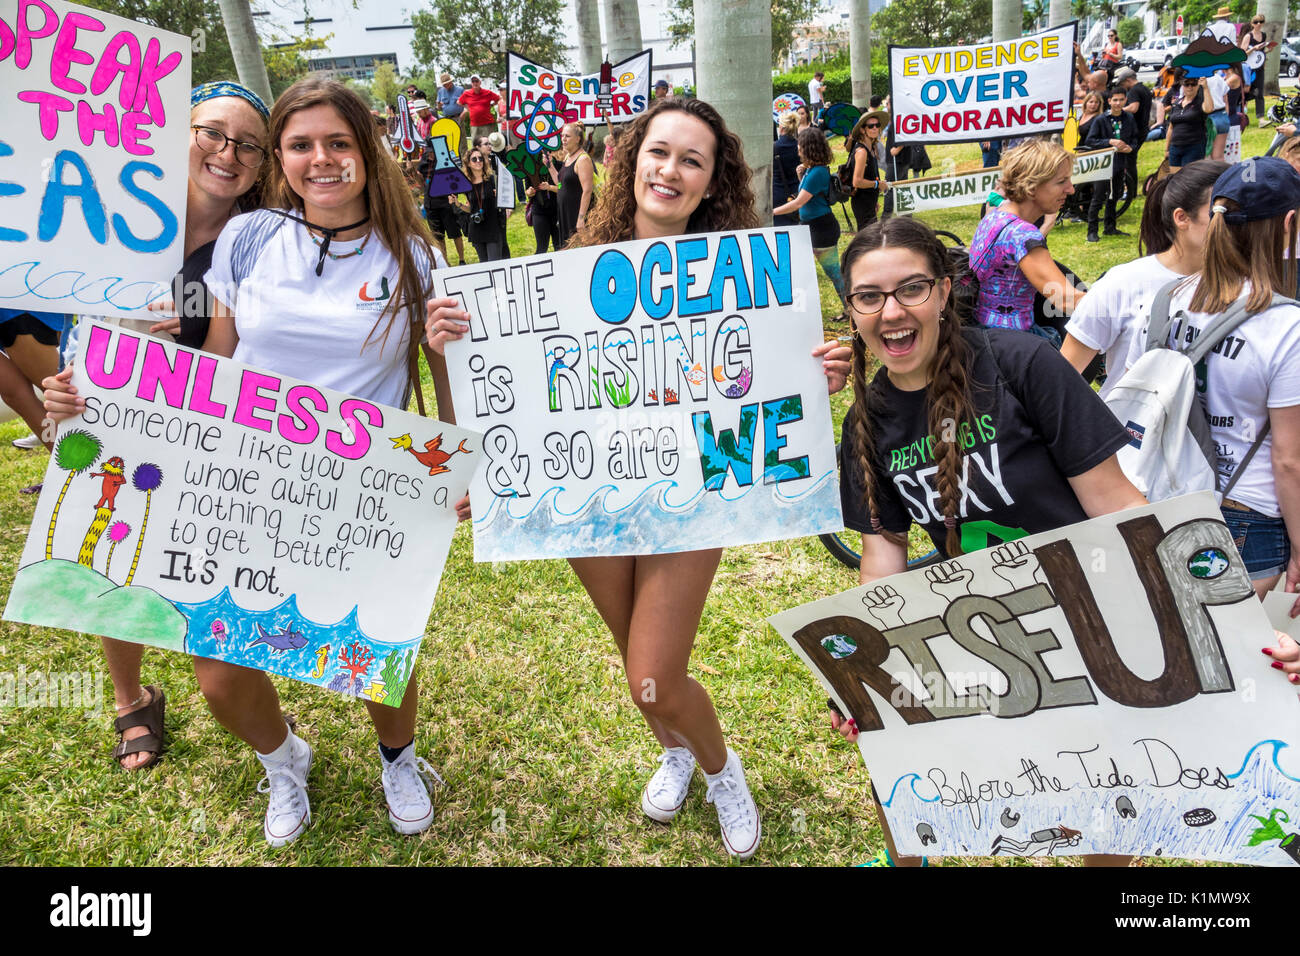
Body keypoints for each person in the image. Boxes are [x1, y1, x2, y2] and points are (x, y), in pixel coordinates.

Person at [427, 97, 849, 860]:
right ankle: (679, 751)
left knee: (652, 676)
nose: (672, 170)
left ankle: (723, 771)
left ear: (713, 180)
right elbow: (499, 399)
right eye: (660, 152)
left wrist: (827, 375)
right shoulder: (562, 273)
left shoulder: (748, 280)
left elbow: (780, 381)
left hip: (693, 496)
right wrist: (446, 351)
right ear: (632, 161)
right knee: (637, 667)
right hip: (589, 492)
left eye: (693, 159)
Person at [47, 77, 455, 843]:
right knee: (222, 672)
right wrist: (116, 390)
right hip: (244, 479)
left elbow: (442, 380)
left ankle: (398, 758)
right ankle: (283, 760)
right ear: (284, 160)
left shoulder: (412, 255)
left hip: (359, 485)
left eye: (338, 143)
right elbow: (222, 365)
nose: (320, 160)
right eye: (301, 145)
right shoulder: (250, 237)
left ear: (366, 152)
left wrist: (459, 471)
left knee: (372, 647)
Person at [828, 216, 1146, 866]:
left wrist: (1175, 614)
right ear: (853, 309)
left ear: (944, 291)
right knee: (895, 755)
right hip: (976, 629)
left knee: (1104, 796)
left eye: (911, 288)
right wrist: (865, 671)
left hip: (1085, 614)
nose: (891, 310)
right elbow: (882, 553)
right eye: (869, 296)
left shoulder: (1020, 364)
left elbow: (1116, 503)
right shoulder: (870, 419)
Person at [64, 80, 271, 772]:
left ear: (262, 164)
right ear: (178, 133)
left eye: (247, 144)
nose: (226, 152)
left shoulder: (257, 240)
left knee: (209, 554)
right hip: (112, 414)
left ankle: (243, 694)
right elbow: (69, 328)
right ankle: (132, 701)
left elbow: (229, 351)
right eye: (211, 132)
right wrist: (66, 383)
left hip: (206, 418)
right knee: (108, 550)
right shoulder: (115, 215)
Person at [1123, 158, 1300, 600]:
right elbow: (1288, 461)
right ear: (1290, 223)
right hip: (1247, 514)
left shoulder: (1167, 299)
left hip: (1166, 496)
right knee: (1232, 657)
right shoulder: (1286, 326)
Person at [1062, 160, 1229, 397]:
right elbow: (1063, 377)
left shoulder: (1250, 286)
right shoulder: (1123, 282)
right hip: (1129, 428)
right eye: (1221, 212)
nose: (1236, 222)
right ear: (1182, 218)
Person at [968, 140, 1086, 337]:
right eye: (1061, 181)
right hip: (1016, 346)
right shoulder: (1022, 235)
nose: (1071, 189)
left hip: (983, 332)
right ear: (1031, 187)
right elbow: (1066, 300)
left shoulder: (994, 216)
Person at [772, 127, 845, 309]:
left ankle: (851, 309)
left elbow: (798, 203)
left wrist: (771, 212)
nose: (798, 149)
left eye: (800, 146)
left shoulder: (817, 172)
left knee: (834, 273)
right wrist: (800, 175)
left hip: (821, 228)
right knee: (802, 269)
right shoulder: (812, 170)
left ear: (808, 147)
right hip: (812, 226)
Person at [1083, 86, 1139, 242]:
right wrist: (1109, 141)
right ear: (1109, 101)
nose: (1118, 103)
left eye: (1121, 100)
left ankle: (1110, 226)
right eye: (1115, 100)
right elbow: (1091, 141)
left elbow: (1135, 139)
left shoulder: (1128, 118)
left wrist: (1130, 148)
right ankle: (1092, 231)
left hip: (1120, 162)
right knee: (1098, 196)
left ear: (1125, 100)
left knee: (1115, 195)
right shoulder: (1101, 119)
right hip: (1103, 164)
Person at [418, 136, 467, 266]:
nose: (430, 154)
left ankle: (461, 259)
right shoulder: (425, 163)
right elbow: (421, 179)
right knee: (437, 237)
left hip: (446, 204)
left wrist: (453, 197)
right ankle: (445, 262)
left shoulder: (445, 161)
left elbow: (455, 180)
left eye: (432, 152)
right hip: (431, 205)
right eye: (428, 152)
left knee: (455, 233)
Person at [457, 145, 504, 261]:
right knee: (483, 265)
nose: (478, 161)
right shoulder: (466, 184)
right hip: (476, 229)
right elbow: (471, 209)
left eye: (480, 158)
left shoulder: (491, 179)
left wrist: (499, 196)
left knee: (494, 263)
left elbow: (502, 201)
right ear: (468, 163)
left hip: (492, 226)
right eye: (474, 159)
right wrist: (458, 204)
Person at [847, 110, 888, 231]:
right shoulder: (862, 151)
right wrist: (877, 184)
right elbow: (857, 181)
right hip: (862, 202)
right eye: (871, 126)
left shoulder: (872, 148)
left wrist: (874, 200)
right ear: (862, 130)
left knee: (870, 239)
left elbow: (871, 174)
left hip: (869, 201)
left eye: (877, 125)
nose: (875, 128)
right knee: (867, 241)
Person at [554, 121, 594, 246]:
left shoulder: (583, 159)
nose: (563, 139)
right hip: (565, 214)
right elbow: (561, 185)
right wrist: (550, 167)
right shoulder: (567, 157)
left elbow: (587, 190)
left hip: (576, 214)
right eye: (562, 136)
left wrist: (581, 218)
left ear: (577, 139)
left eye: (567, 136)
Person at [1116, 67, 1151, 190]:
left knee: (1129, 161)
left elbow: (1134, 107)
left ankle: (1131, 190)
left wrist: (1117, 110)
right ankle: (1131, 189)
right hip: (1144, 128)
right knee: (1130, 159)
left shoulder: (1134, 91)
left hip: (1135, 130)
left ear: (1129, 80)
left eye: (1123, 83)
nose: (1123, 86)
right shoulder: (1145, 89)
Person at [1165, 74, 1207, 172]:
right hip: (1175, 146)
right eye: (1186, 84)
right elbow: (1171, 127)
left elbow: (1209, 108)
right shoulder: (1176, 103)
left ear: (1197, 86)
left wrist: (1205, 88)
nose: (1190, 87)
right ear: (1182, 86)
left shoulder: (1201, 102)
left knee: (1189, 179)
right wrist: (1167, 149)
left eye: (1193, 84)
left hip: (1193, 146)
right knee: (1174, 178)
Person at [524, 163, 562, 253]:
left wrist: (550, 187)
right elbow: (527, 189)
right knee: (541, 248)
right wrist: (529, 192)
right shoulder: (529, 167)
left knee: (560, 247)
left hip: (557, 210)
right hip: (539, 211)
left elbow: (562, 186)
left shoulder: (557, 165)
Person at [772, 112, 801, 226]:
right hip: (796, 193)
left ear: (782, 127)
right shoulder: (799, 145)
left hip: (778, 192)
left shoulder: (774, 147)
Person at [1240, 14, 1269, 126]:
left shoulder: (1264, 35)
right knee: (1246, 92)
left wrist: (1268, 51)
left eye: (1261, 22)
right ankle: (1241, 114)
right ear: (1252, 24)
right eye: (1256, 22)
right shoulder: (1248, 36)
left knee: (1260, 93)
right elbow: (1242, 54)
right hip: (1248, 69)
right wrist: (1253, 49)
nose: (1259, 24)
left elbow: (1261, 53)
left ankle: (1261, 119)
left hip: (1259, 67)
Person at [458, 75, 500, 144]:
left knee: (489, 143)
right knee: (475, 144)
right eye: (473, 81)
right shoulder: (467, 93)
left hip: (487, 123)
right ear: (471, 83)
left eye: (476, 81)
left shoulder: (487, 92)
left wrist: (492, 105)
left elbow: (498, 99)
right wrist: (467, 107)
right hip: (475, 124)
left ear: (480, 82)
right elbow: (459, 102)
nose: (475, 83)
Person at [436, 73, 468, 143]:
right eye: (443, 85)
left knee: (461, 140)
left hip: (458, 118)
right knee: (450, 140)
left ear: (450, 82)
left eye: (446, 84)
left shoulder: (460, 90)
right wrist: (439, 104)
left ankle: (463, 154)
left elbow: (467, 104)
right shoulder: (440, 91)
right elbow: (439, 108)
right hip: (447, 119)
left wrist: (464, 112)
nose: (445, 86)